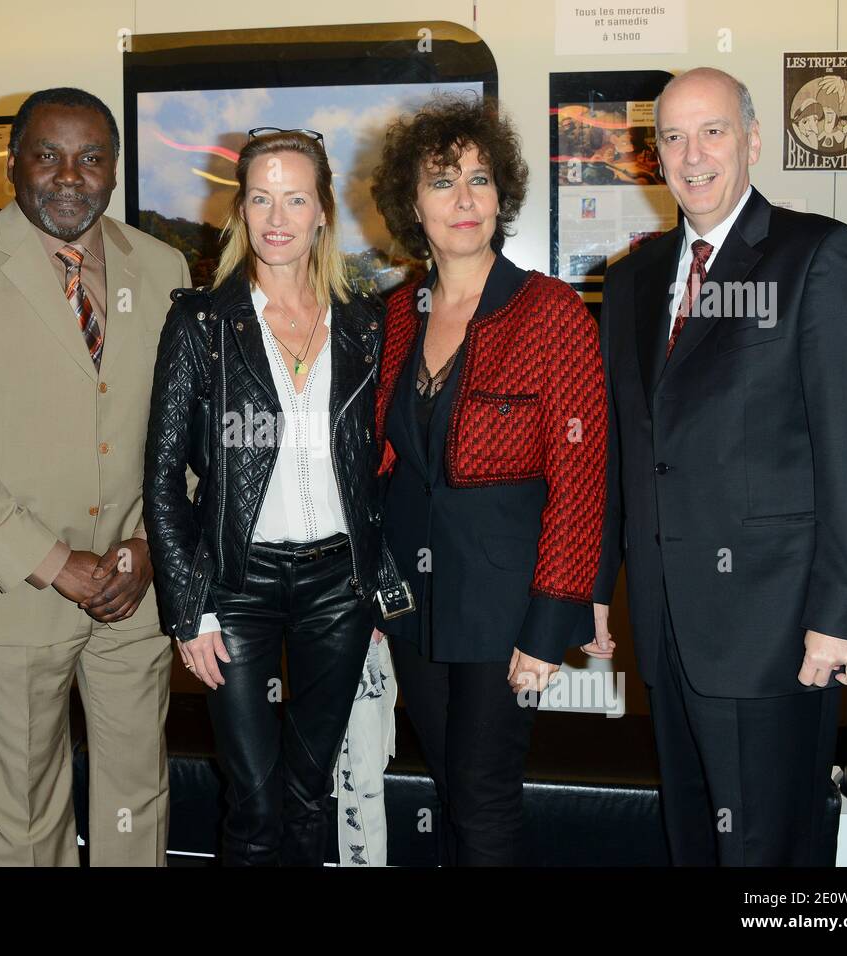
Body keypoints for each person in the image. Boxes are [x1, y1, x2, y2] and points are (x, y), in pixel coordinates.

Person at [593, 67, 847, 866]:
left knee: (766, 850)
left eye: (713, 131)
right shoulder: (630, 280)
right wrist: (595, 590)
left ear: (753, 141)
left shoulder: (818, 257)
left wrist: (842, 612)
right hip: (665, 627)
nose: (692, 155)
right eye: (673, 136)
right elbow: (627, 449)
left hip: (775, 630)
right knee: (693, 841)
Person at [0, 87, 190, 867]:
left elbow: (187, 433)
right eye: (48, 155)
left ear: (114, 170)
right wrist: (57, 564)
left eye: (91, 158)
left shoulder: (162, 269)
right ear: (12, 162)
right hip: (14, 589)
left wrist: (148, 547)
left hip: (135, 587)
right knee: (24, 809)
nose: (70, 175)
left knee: (138, 793)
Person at [145, 128, 408, 866]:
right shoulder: (201, 323)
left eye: (296, 197)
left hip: (337, 586)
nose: (278, 215)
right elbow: (163, 475)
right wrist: (187, 607)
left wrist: (375, 578)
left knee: (306, 792)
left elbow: (380, 465)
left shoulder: (364, 324)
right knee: (253, 800)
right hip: (237, 587)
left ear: (323, 209)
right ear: (240, 210)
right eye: (261, 197)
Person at [369, 94, 608, 866]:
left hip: (506, 604)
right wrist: (377, 585)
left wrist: (547, 628)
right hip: (415, 597)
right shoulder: (396, 313)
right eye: (442, 182)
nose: (464, 200)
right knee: (450, 784)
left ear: (502, 194)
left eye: (479, 179)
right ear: (413, 203)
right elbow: (383, 463)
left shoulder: (551, 312)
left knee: (485, 795)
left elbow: (581, 481)